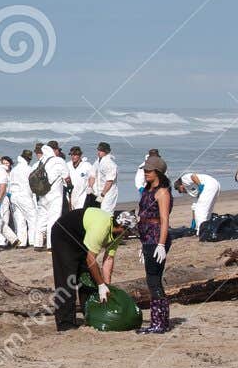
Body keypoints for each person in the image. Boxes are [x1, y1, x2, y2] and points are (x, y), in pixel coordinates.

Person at [49, 203, 137, 332]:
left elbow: (108, 259)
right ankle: (65, 323)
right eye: (128, 231)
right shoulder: (102, 227)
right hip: (64, 234)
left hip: (83, 238)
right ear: (121, 226)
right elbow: (91, 259)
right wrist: (101, 285)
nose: (128, 235)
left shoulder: (117, 234)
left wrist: (106, 286)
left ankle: (90, 315)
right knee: (68, 278)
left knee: (88, 278)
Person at [136, 154, 174, 334]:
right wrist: (141, 243)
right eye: (144, 170)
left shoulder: (162, 192)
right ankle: (158, 321)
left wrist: (161, 244)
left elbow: (164, 220)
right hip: (146, 238)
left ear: (157, 172)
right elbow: (142, 214)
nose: (145, 173)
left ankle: (160, 322)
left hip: (157, 237)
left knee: (154, 280)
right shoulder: (146, 190)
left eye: (148, 170)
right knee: (151, 279)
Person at [36, 141, 70, 248]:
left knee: (42, 219)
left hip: (42, 194)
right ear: (54, 150)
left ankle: (38, 244)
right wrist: (70, 185)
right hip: (55, 195)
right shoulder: (58, 160)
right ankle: (51, 245)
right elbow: (66, 177)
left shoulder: (41, 161)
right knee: (53, 219)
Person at [9, 149, 35, 247]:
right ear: (28, 159)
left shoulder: (14, 169)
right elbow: (32, 184)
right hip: (25, 196)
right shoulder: (29, 169)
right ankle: (33, 241)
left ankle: (22, 242)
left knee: (19, 220)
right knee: (33, 218)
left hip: (14, 196)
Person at [92, 142, 118, 211]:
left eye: (101, 151)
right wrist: (90, 187)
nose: (99, 152)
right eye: (98, 150)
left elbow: (109, 181)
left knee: (106, 211)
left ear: (106, 151)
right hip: (98, 191)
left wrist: (103, 194)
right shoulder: (97, 161)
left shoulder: (110, 164)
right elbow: (93, 174)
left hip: (108, 192)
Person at [67, 146, 94, 210]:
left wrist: (90, 187)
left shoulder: (87, 165)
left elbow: (92, 176)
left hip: (82, 194)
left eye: (75, 155)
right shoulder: (67, 165)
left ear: (80, 155)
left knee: (80, 211)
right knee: (70, 213)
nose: (73, 157)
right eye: (71, 155)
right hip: (70, 194)